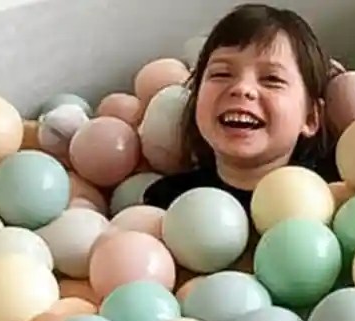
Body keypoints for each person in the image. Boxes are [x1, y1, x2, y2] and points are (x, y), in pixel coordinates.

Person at [142, 4, 339, 211]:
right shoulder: (169, 203)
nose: (242, 88)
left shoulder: (329, 199)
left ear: (310, 118)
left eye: (271, 79)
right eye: (221, 74)